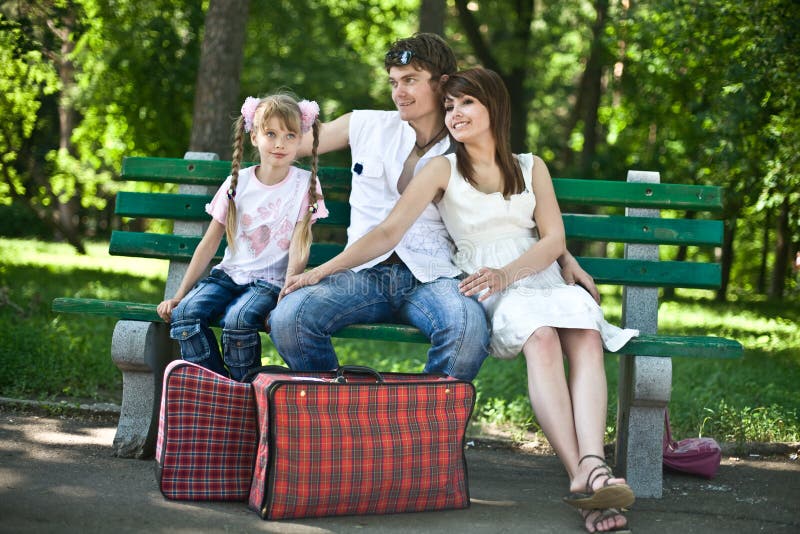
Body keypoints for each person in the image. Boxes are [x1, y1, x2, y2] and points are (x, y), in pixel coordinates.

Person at [282, 67, 637, 533]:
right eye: (449, 106)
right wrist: (320, 272)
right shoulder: (443, 167)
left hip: (535, 272)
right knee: (544, 339)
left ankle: (592, 467)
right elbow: (389, 230)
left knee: (586, 335)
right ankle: (581, 477)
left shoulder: (532, 166)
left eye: (466, 103)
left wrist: (550, 263)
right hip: (487, 283)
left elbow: (552, 238)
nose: (454, 114)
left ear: (494, 106)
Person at [268, 33, 597, 381]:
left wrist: (564, 257)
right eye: (394, 82)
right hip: (363, 274)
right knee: (290, 318)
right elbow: (291, 145)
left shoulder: (467, 139)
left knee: (468, 329)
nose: (399, 92)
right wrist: (262, 116)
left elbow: (510, 210)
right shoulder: (364, 125)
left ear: (442, 84)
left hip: (435, 275)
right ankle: (339, 412)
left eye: (410, 80)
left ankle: (423, 424)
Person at [156, 93, 328, 381]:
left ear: (300, 140)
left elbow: (301, 240)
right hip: (227, 276)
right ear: (253, 137)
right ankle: (217, 388)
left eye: (289, 135)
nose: (279, 143)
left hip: (269, 283)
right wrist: (179, 294)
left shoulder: (304, 184)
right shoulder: (239, 182)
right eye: (270, 133)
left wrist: (287, 291)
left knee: (238, 321)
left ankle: (245, 393)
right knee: (185, 314)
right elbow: (209, 242)